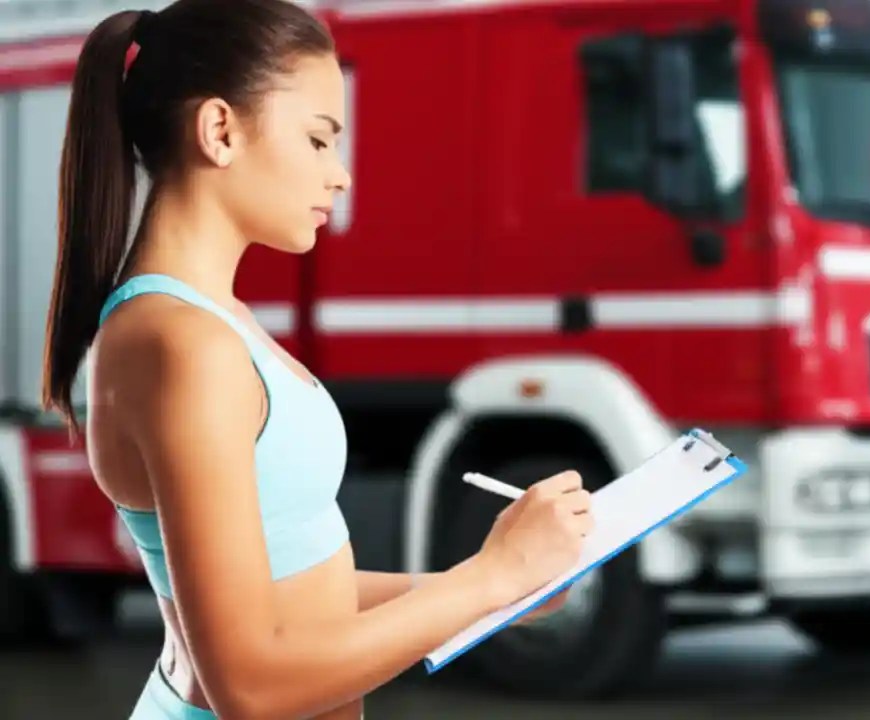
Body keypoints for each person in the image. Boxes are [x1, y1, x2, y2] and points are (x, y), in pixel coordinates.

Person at [41, 2, 592, 718]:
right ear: (219, 131)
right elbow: (250, 684)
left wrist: (498, 586)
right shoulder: (183, 344)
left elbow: (298, 590)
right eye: (318, 139)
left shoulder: (211, 323)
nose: (341, 176)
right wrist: (487, 580)